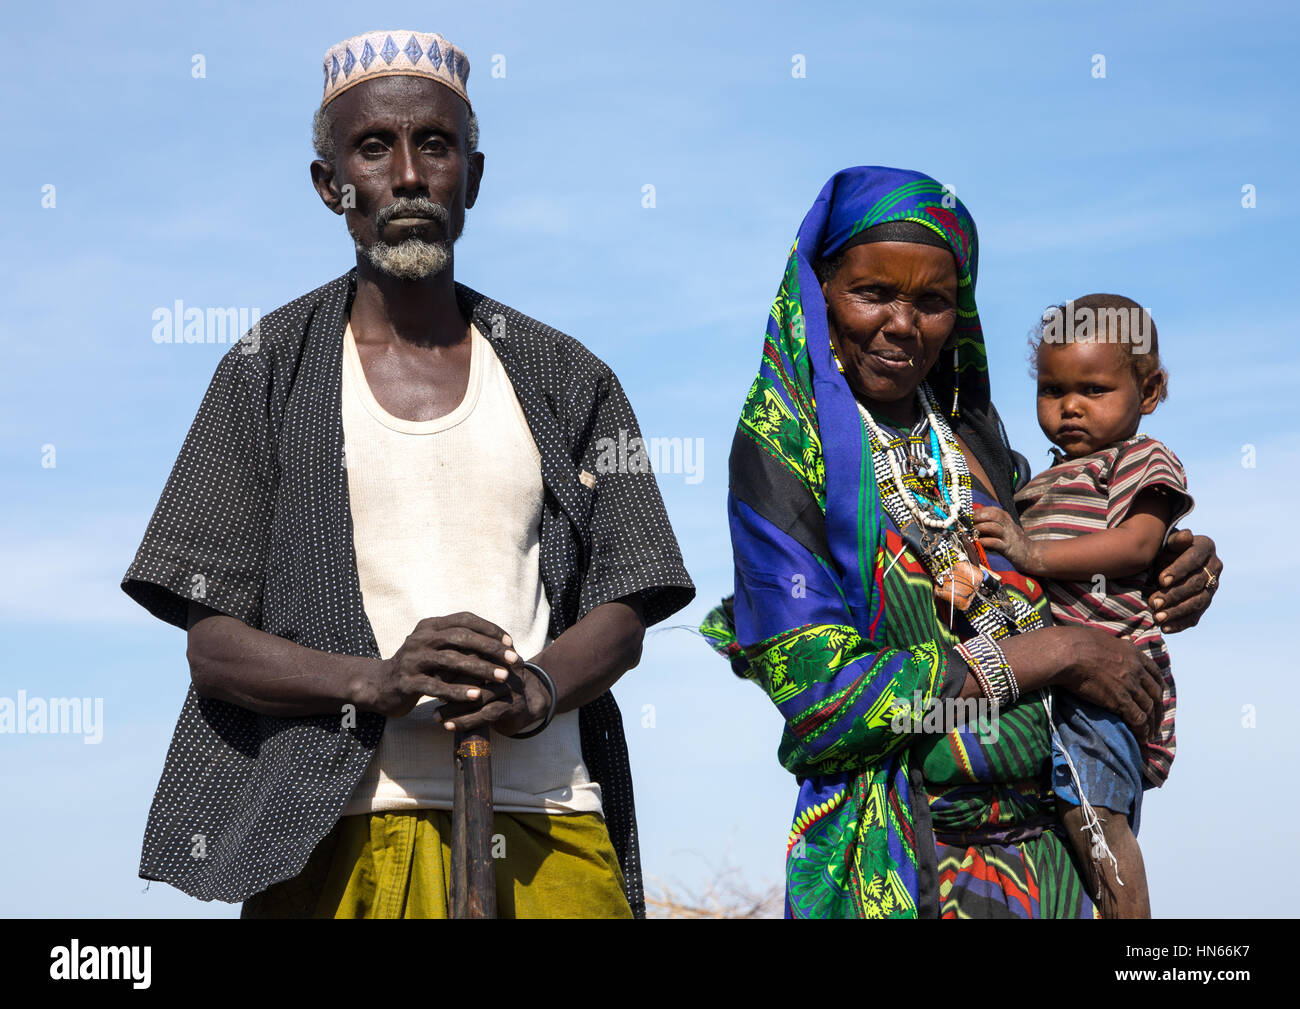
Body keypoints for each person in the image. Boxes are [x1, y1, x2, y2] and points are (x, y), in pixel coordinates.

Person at [120, 29, 694, 919]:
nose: (411, 175)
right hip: (330, 830)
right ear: (329, 185)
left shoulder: (566, 375)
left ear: (473, 174)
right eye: (374, 148)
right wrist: (376, 681)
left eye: (436, 144)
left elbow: (627, 605)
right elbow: (213, 645)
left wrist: (534, 689)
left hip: (547, 823)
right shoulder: (265, 369)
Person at [710, 165, 1222, 918]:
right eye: (873, 293)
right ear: (820, 290)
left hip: (1053, 861)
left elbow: (1054, 553)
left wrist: (1173, 556)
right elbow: (824, 700)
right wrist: (1060, 652)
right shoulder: (784, 449)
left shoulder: (970, 436)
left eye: (933, 301)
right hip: (904, 862)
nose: (904, 325)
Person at [973, 294, 1194, 917]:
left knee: (1094, 816)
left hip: (1112, 678)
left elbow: (1139, 544)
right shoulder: (1039, 479)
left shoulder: (1141, 461)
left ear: (1149, 392)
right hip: (1055, 680)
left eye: (1094, 389)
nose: (1070, 407)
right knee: (1066, 818)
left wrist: (1032, 554)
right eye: (1053, 389)